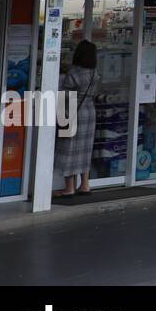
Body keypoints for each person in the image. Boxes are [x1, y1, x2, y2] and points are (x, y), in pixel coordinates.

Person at [53, 40, 98, 198]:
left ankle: (69, 188)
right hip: (89, 112)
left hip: (72, 111)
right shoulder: (94, 73)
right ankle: (85, 184)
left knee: (68, 149)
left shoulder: (74, 73)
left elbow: (64, 94)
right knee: (85, 149)